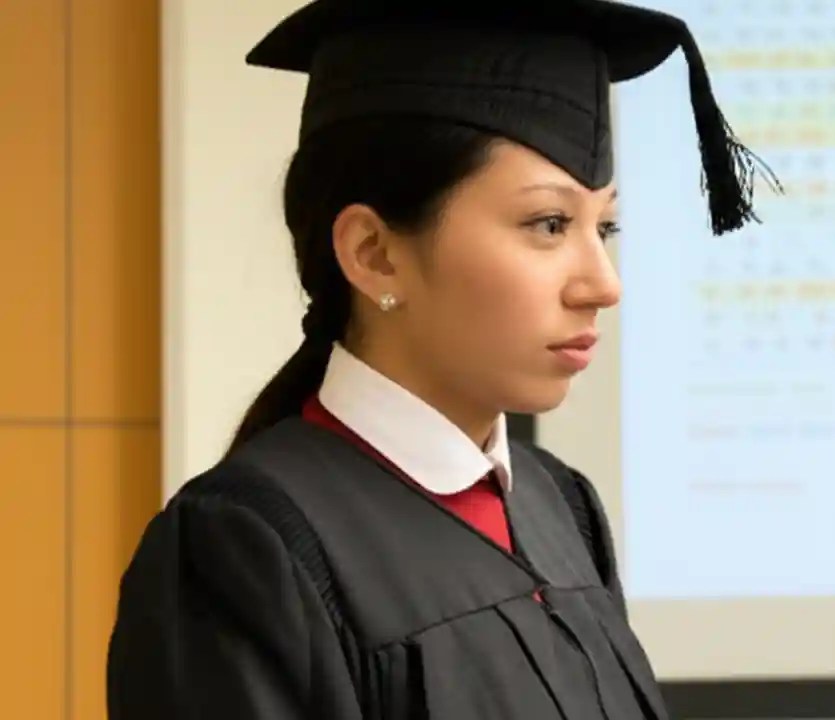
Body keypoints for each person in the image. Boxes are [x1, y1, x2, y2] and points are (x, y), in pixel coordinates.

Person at [106, 0, 777, 717]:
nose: (603, 284)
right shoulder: (242, 549)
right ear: (375, 254)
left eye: (604, 227)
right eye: (548, 224)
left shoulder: (563, 506)